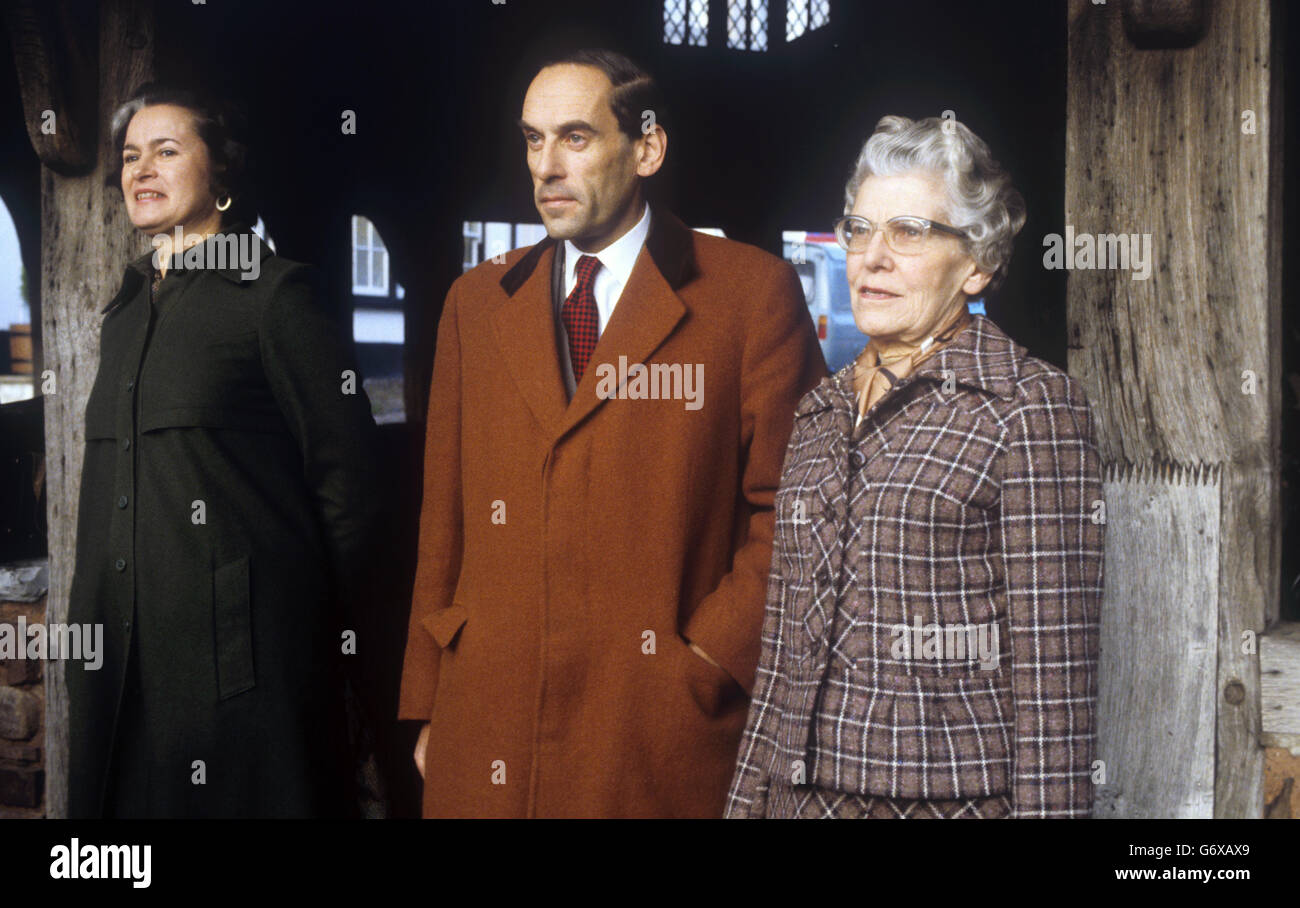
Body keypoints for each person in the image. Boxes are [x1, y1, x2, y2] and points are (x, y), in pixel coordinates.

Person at [398, 48, 826, 817]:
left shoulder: (750, 295)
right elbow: (444, 520)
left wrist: (706, 661)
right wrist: (431, 700)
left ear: (648, 148)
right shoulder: (475, 301)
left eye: (575, 137)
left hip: (651, 733)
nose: (546, 166)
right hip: (484, 722)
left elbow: (800, 514)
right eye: (532, 139)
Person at [726, 115, 1105, 818]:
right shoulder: (819, 411)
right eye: (859, 230)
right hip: (798, 802)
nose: (872, 257)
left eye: (909, 232)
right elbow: (779, 657)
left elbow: (1055, 684)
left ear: (978, 263)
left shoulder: (1028, 408)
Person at [67, 82, 381, 817]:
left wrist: (309, 640)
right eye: (130, 156)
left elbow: (354, 494)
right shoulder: (122, 315)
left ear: (223, 174)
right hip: (120, 667)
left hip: (240, 676)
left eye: (167, 151)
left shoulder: (274, 298)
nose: (140, 169)